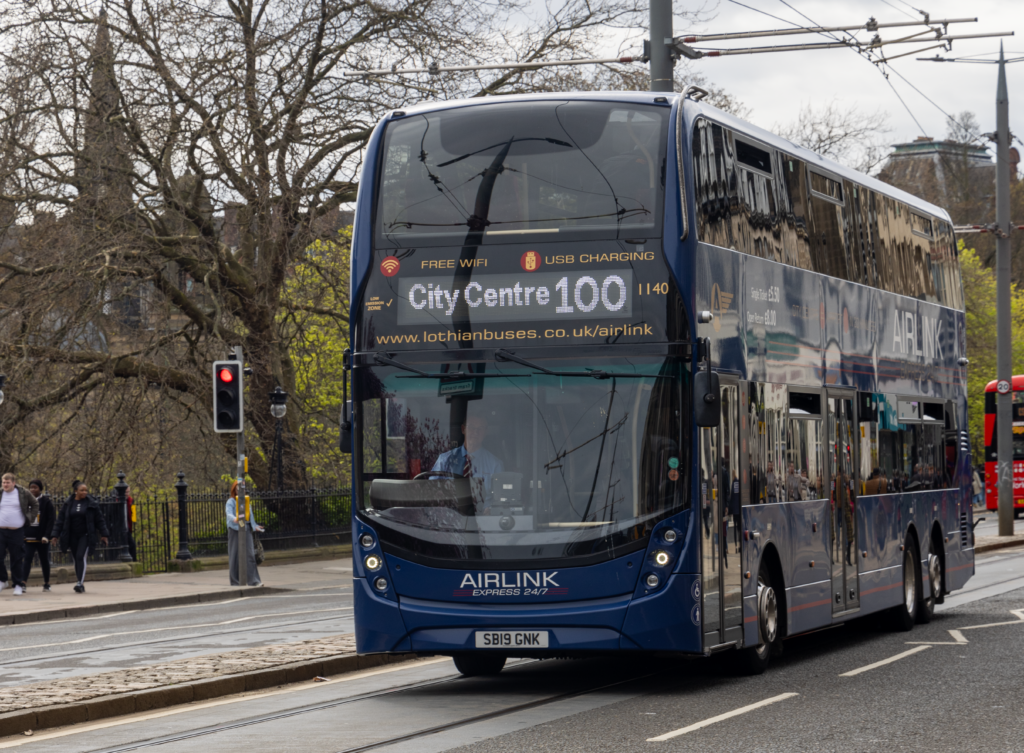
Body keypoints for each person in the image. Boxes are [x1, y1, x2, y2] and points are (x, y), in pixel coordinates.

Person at [431, 415, 504, 508]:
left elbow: (502, 499)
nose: (475, 432)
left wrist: (491, 510)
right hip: (450, 518)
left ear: (486, 431)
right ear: (463, 429)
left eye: (480, 428)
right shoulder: (444, 460)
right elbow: (432, 492)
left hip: (483, 519)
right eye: (471, 427)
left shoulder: (495, 464)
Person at [52, 481, 109, 593]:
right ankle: (79, 580)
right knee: (75, 558)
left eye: (86, 490)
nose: (85, 492)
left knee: (80, 556)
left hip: (86, 535)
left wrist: (104, 534)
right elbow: (60, 520)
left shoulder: (91, 503)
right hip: (72, 535)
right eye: (82, 490)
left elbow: (100, 520)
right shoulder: (68, 503)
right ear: (75, 491)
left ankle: (80, 583)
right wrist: (55, 535)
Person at [0, 473, 39, 595]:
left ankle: (17, 584)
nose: (5, 485)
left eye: (7, 482)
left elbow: (35, 504)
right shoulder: (0, 493)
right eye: (3, 482)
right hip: (1, 530)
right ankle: (2, 580)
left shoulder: (23, 493)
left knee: (16, 558)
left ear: (13, 483)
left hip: (16, 531)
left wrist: (30, 519)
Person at [226, 481, 264, 587]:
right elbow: (228, 513)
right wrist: (234, 519)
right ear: (235, 490)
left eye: (243, 489)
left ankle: (254, 581)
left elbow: (250, 515)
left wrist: (254, 526)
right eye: (238, 489)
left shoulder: (246, 501)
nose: (241, 491)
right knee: (234, 556)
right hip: (234, 529)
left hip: (245, 528)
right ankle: (235, 582)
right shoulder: (231, 501)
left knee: (250, 555)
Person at [22, 479, 55, 591]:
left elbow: (51, 520)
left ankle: (46, 583)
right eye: (31, 487)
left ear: (40, 489)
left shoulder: (46, 502)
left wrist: (47, 535)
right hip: (29, 535)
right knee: (27, 559)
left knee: (44, 559)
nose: (32, 490)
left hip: (42, 537)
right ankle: (23, 583)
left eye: (35, 487)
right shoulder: (25, 501)